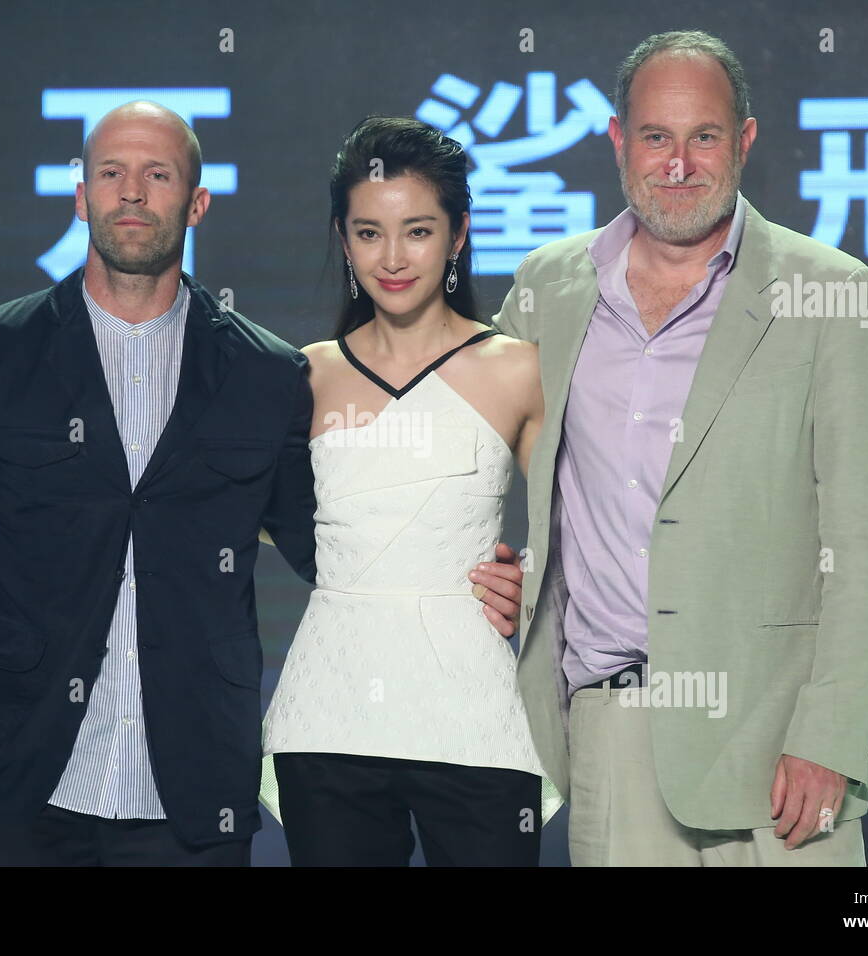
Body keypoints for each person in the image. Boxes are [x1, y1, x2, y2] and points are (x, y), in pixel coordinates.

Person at [0, 101, 515, 866]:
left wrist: (472, 577)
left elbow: (337, 542)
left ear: (197, 202)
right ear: (79, 195)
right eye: (111, 173)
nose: (131, 192)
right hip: (22, 792)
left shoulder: (264, 373)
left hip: (192, 800)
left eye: (157, 175)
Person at [478, 31, 868, 865]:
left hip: (779, 743)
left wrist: (831, 734)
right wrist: (493, 572)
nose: (678, 164)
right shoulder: (548, 286)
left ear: (744, 140)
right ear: (617, 140)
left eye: (704, 136)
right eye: (655, 137)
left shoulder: (832, 293)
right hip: (611, 731)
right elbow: (474, 455)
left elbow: (867, 542)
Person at [259, 116, 563, 867]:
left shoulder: (516, 367)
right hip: (329, 714)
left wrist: (530, 583)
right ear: (344, 239)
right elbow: (237, 512)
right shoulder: (303, 374)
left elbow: (591, 521)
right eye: (369, 233)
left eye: (418, 231)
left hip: (475, 709)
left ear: (458, 234)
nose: (392, 258)